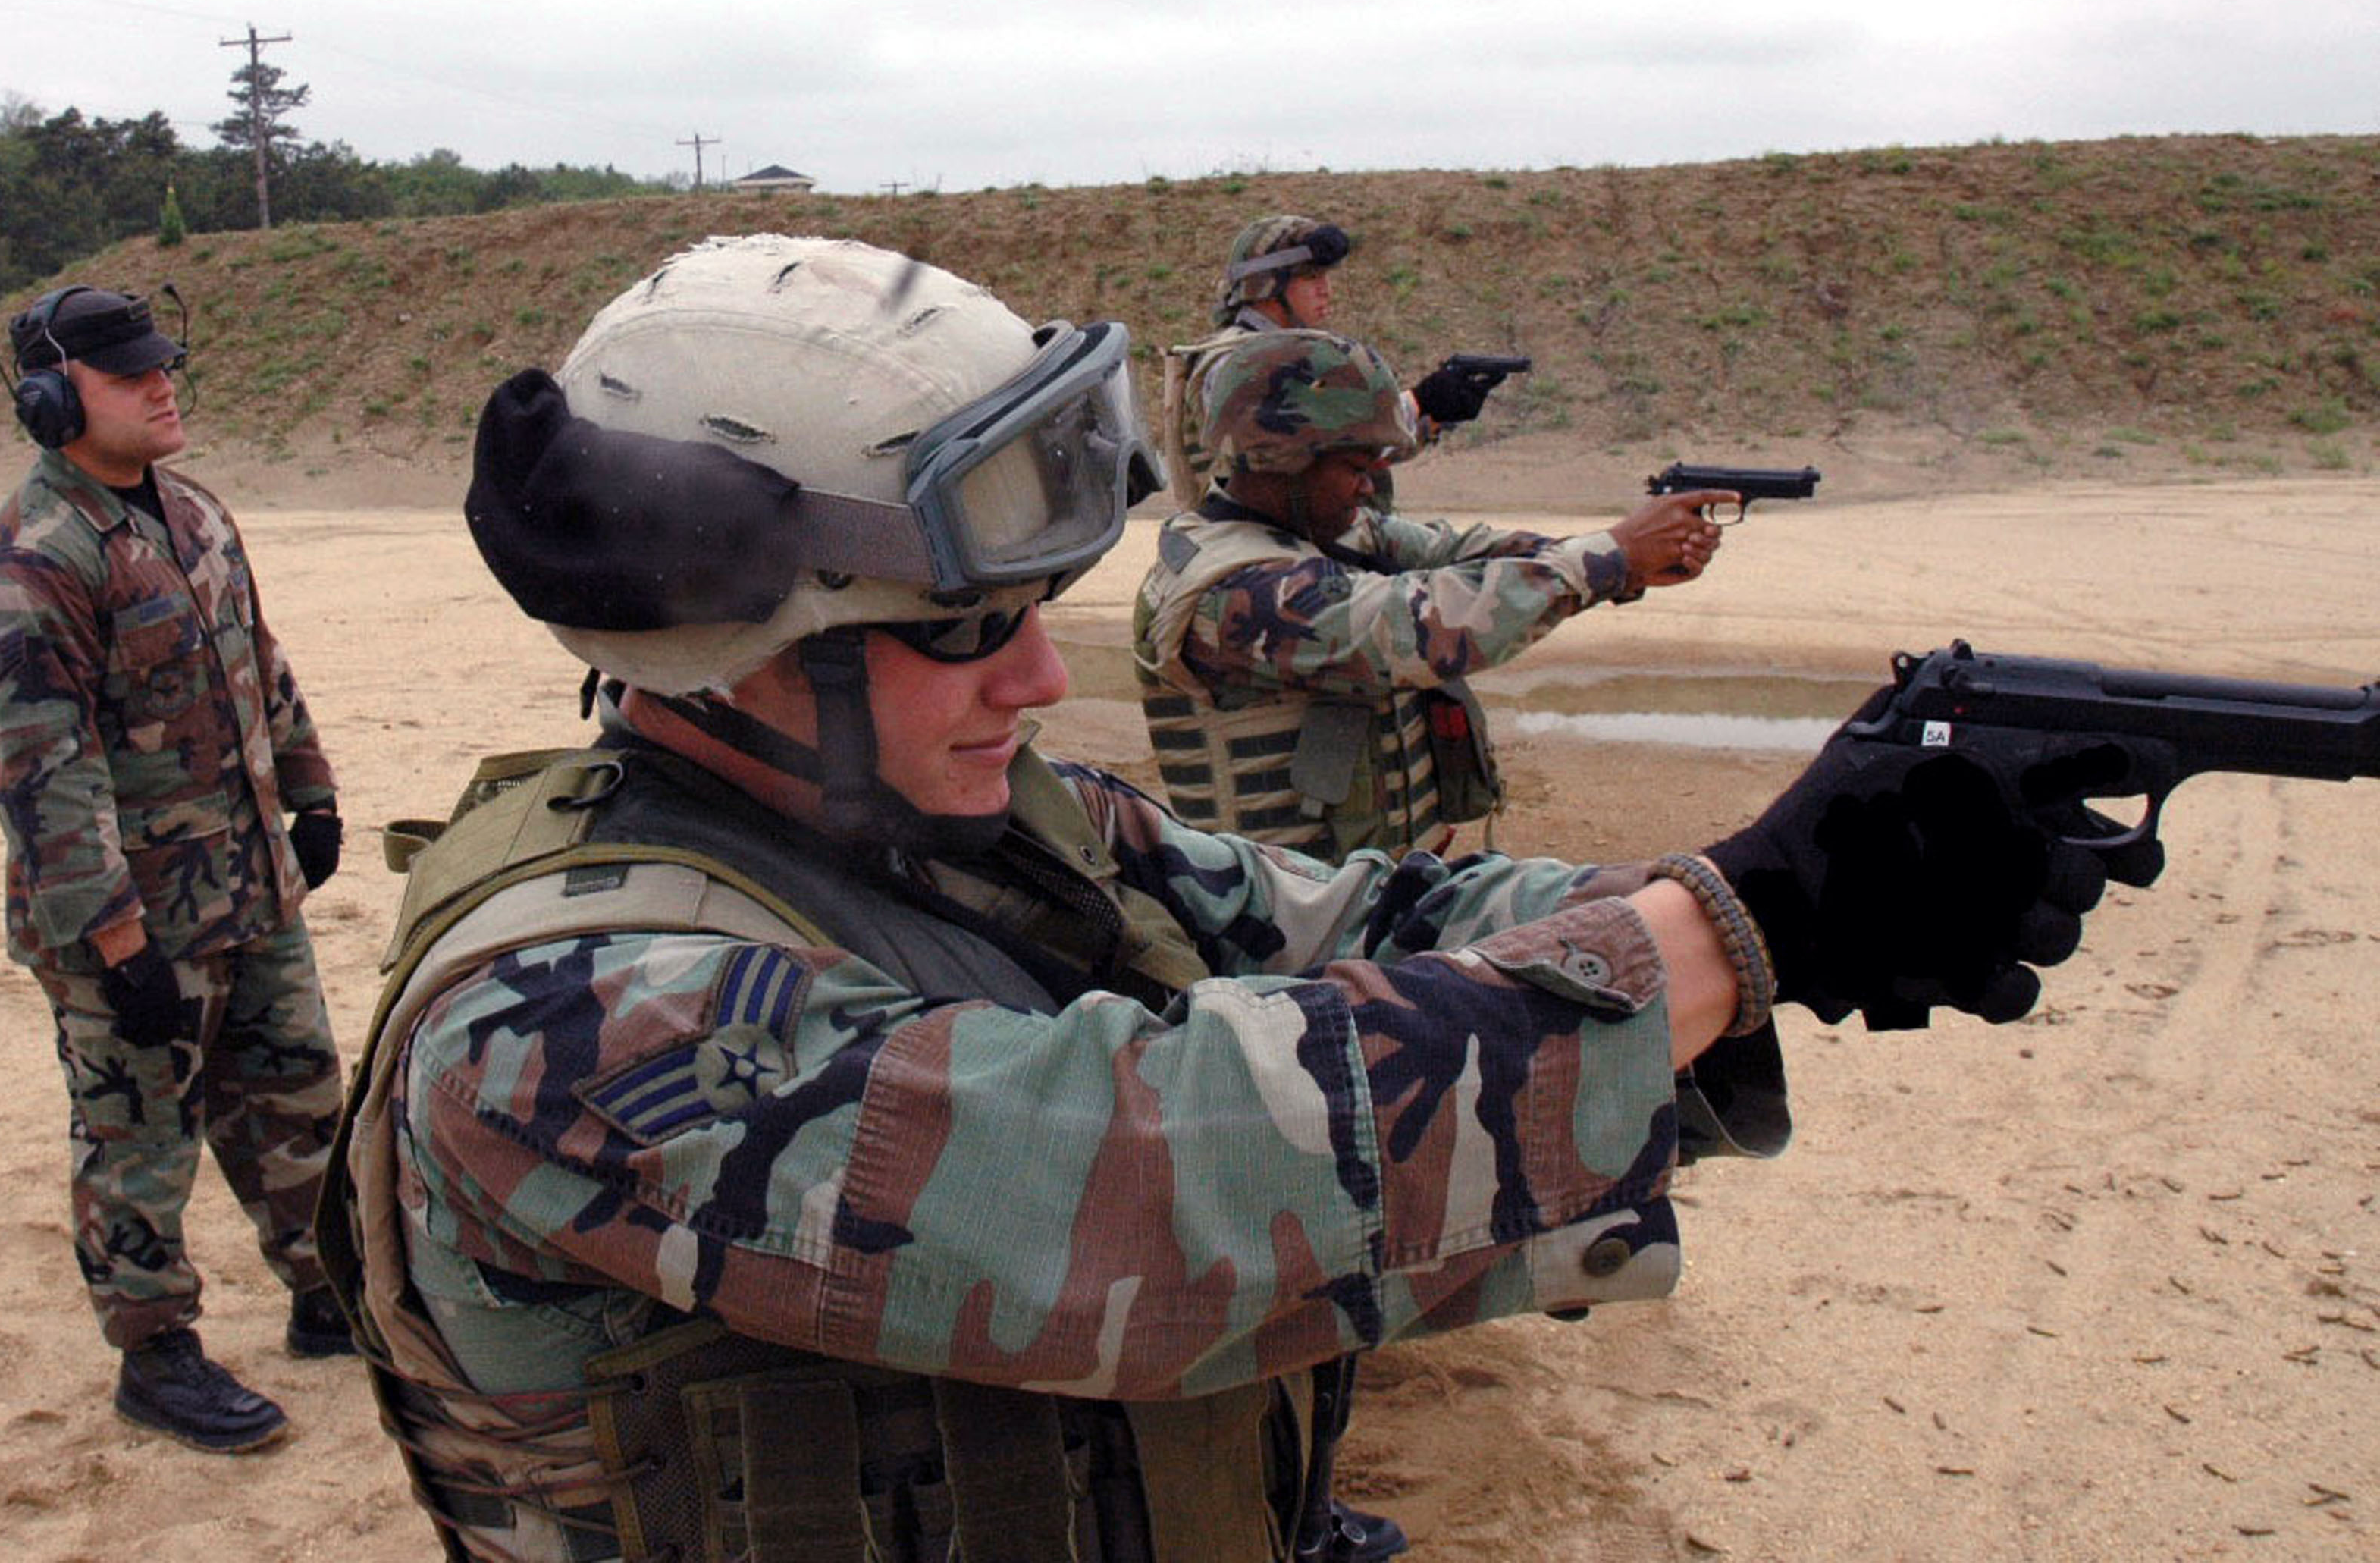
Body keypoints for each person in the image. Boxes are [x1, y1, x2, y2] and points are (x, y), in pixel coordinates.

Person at [317, 234, 2145, 1563]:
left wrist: (1793, 885)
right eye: (958, 631)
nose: (1036, 685)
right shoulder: (559, 1013)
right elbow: (1131, 1177)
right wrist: (1720, 935)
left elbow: (1340, 923)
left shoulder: (964, 830)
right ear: (725, 635)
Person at [0, 283, 355, 1455]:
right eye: (129, 373)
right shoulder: (31, 561)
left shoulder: (194, 514)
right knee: (138, 1133)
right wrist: (118, 942)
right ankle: (156, 1353)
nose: (161, 384)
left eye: (162, 363)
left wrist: (314, 793)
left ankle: (330, 1296)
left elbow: (261, 668)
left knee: (296, 1096)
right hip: (130, 920)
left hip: (248, 885)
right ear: (47, 400)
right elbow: (44, 779)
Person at [1134, 328, 1725, 863]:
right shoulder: (1233, 592)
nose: (1369, 489)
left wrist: (1630, 560)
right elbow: (1420, 623)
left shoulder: (1316, 530)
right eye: (1355, 467)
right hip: (1284, 924)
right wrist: (1610, 557)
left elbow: (1455, 554)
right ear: (1280, 460)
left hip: (1358, 897)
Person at [1159, 213, 1538, 510]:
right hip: (1261, 560)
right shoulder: (1231, 361)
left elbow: (1338, 454)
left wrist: (1429, 413)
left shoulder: (1287, 356)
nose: (1325, 289)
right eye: (1310, 277)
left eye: (1325, 276)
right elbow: (1289, 448)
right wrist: (1412, 404)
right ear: (1265, 286)